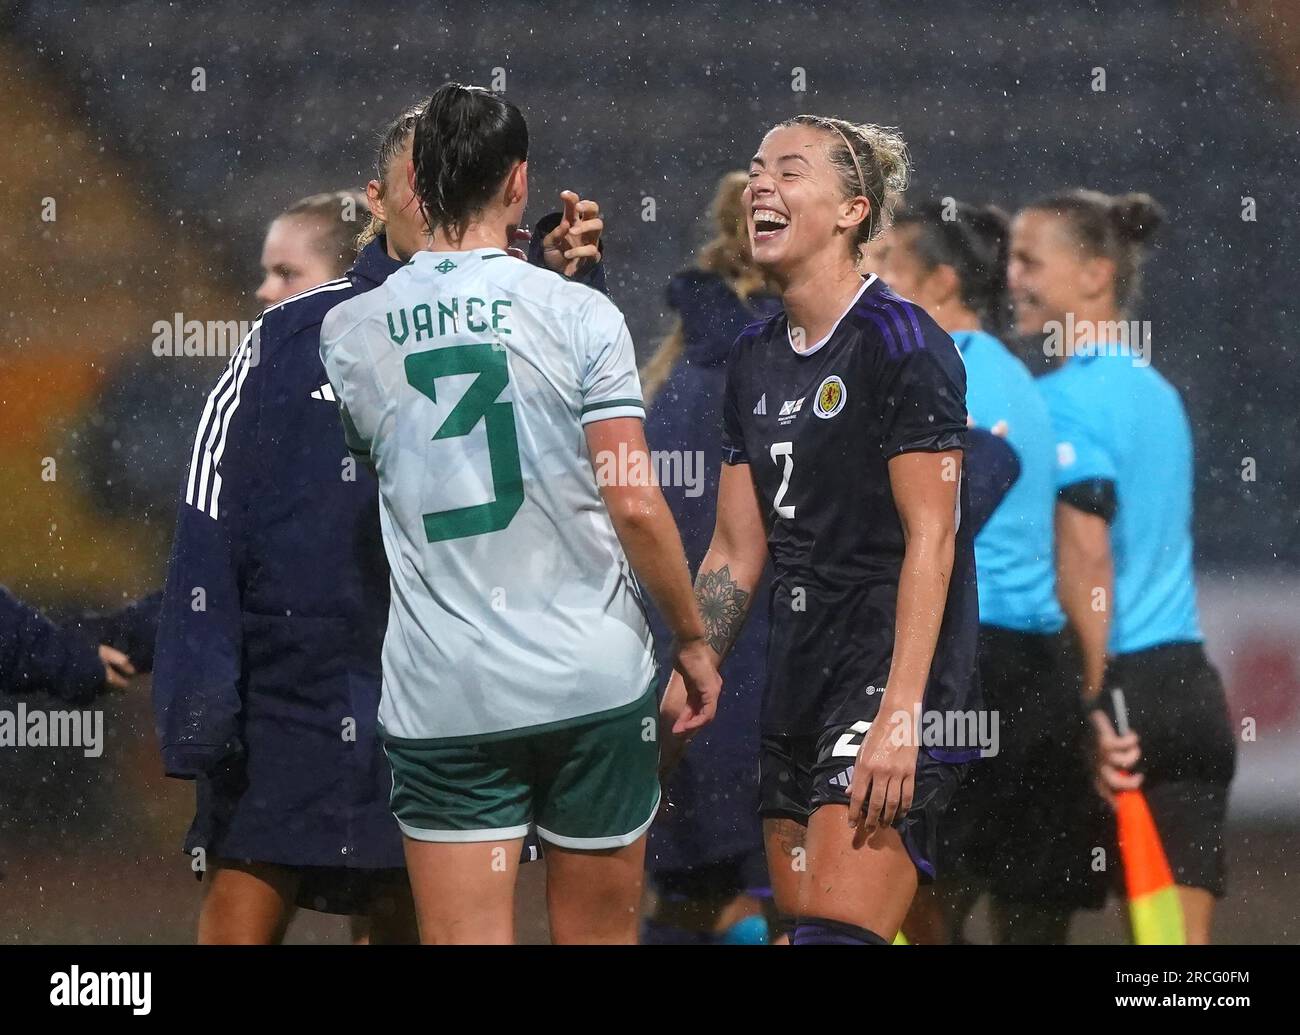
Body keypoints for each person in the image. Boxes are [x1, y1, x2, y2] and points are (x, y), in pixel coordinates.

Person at [319, 83, 721, 945]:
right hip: (591, 677)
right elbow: (635, 500)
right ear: (519, 183)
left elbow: (391, 458)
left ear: (417, 186)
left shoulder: (349, 331)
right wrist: (692, 636)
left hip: (447, 689)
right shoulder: (582, 312)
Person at [661, 114, 980, 946]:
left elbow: (932, 541)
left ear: (852, 211)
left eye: (791, 171)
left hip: (888, 673)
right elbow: (736, 549)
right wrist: (697, 658)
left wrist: (901, 713)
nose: (762, 183)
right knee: (805, 924)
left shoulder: (904, 344)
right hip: (796, 677)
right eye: (757, 168)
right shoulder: (754, 355)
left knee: (835, 934)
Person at [872, 200, 1108, 943]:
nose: (869, 284)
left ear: (941, 283)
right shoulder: (1017, 378)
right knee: (1029, 907)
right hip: (1035, 672)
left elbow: (920, 532)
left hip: (968, 663)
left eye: (885, 270)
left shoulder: (944, 374)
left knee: (916, 888)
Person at [1008, 189, 1236, 943]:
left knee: (1031, 927)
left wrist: (1093, 699)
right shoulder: (1159, 394)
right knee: (1176, 958)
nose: (1012, 278)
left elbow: (1086, 550)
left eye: (1029, 260)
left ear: (1096, 274)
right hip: (1188, 688)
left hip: (1111, 690)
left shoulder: (1061, 400)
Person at [639, 171, 781, 945]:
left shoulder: (678, 367)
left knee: (685, 884)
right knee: (766, 889)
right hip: (757, 653)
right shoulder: (780, 363)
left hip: (669, 649)